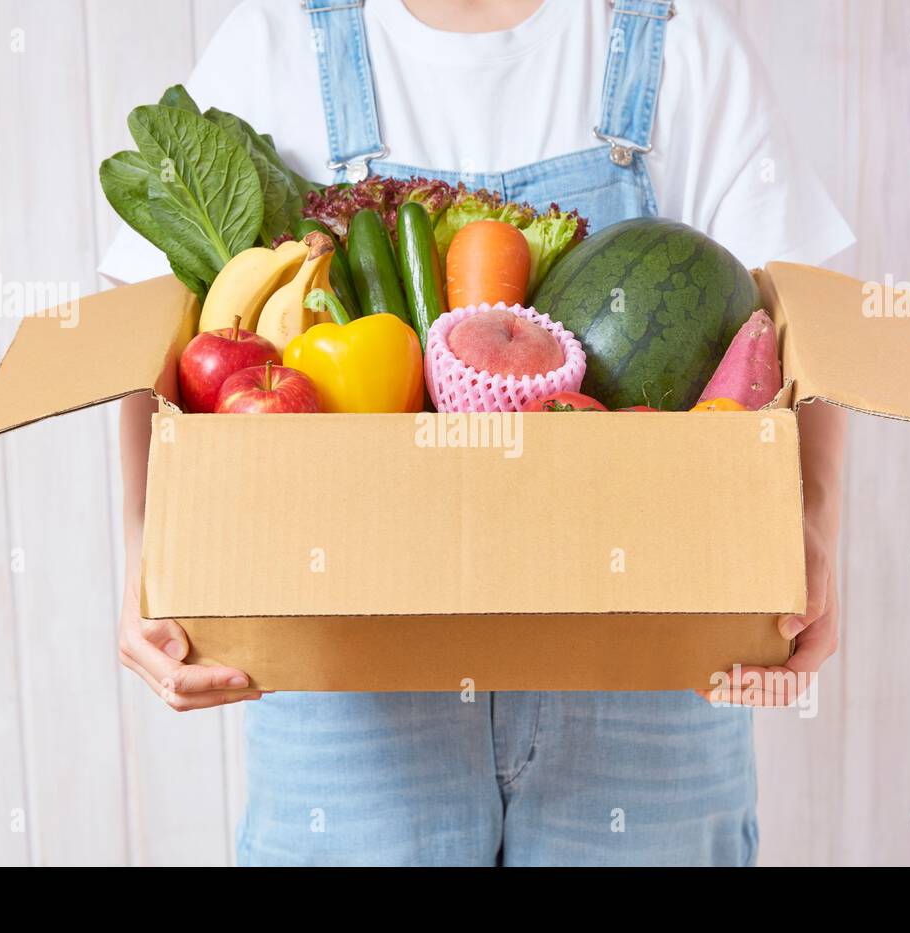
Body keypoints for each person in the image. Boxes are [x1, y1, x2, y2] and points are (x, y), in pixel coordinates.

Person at [102, 0, 852, 866]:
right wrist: (145, 555)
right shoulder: (277, 44)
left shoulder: (676, 44)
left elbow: (808, 326)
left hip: (644, 675)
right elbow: (148, 343)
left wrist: (814, 525)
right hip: (352, 686)